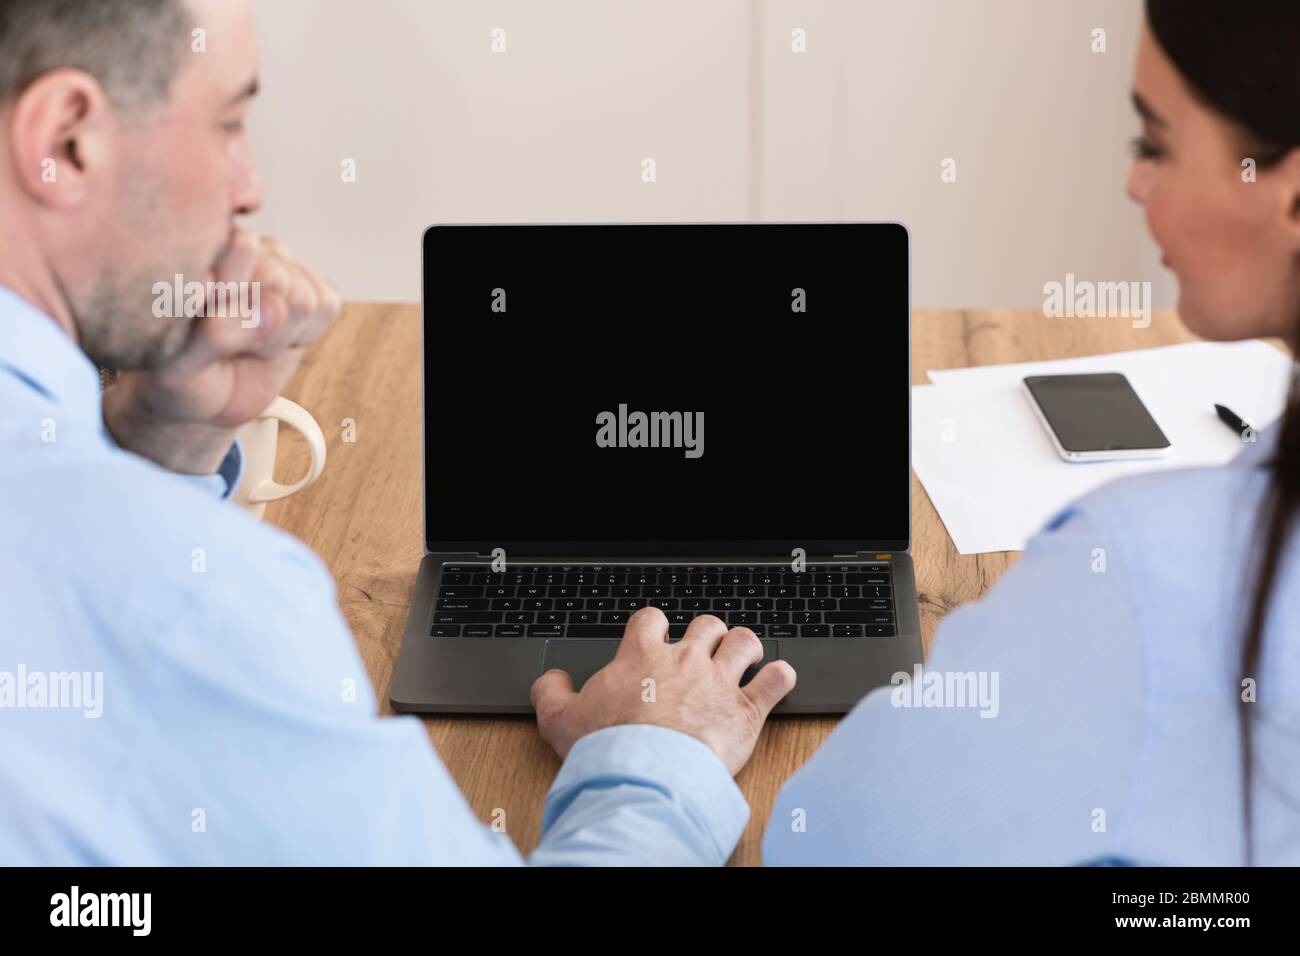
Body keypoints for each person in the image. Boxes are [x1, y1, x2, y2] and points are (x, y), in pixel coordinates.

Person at [0, 0, 794, 865]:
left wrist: (157, 454)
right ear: (67, 140)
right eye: (228, 120)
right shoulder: (196, 607)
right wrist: (663, 755)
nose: (249, 186)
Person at [762, 0, 1300, 866]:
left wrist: (656, 753)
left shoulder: (1153, 580)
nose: (1132, 181)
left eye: (1154, 143)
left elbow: (817, 841)